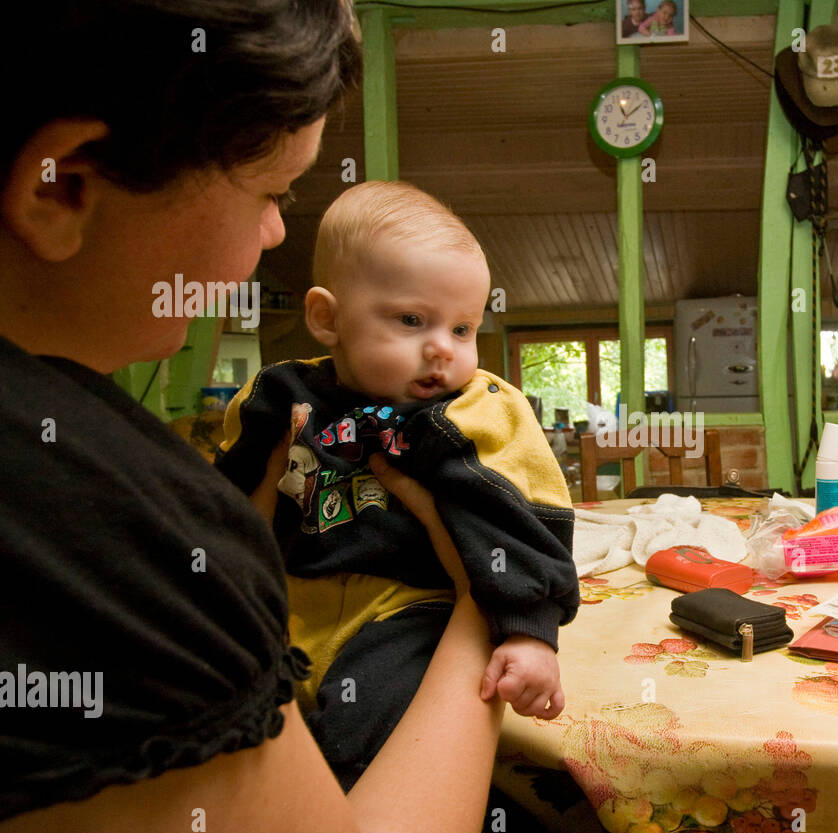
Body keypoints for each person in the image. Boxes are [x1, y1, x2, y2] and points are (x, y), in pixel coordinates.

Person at [0, 0, 504, 833]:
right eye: (271, 193)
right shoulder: (103, 532)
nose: (275, 233)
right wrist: (482, 613)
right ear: (63, 183)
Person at [214, 181, 579, 789]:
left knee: (369, 731)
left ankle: (346, 829)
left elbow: (526, 521)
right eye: (412, 320)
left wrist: (528, 632)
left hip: (411, 608)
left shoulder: (477, 411)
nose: (442, 348)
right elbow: (225, 501)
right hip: (290, 603)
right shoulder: (278, 397)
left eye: (464, 329)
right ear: (326, 318)